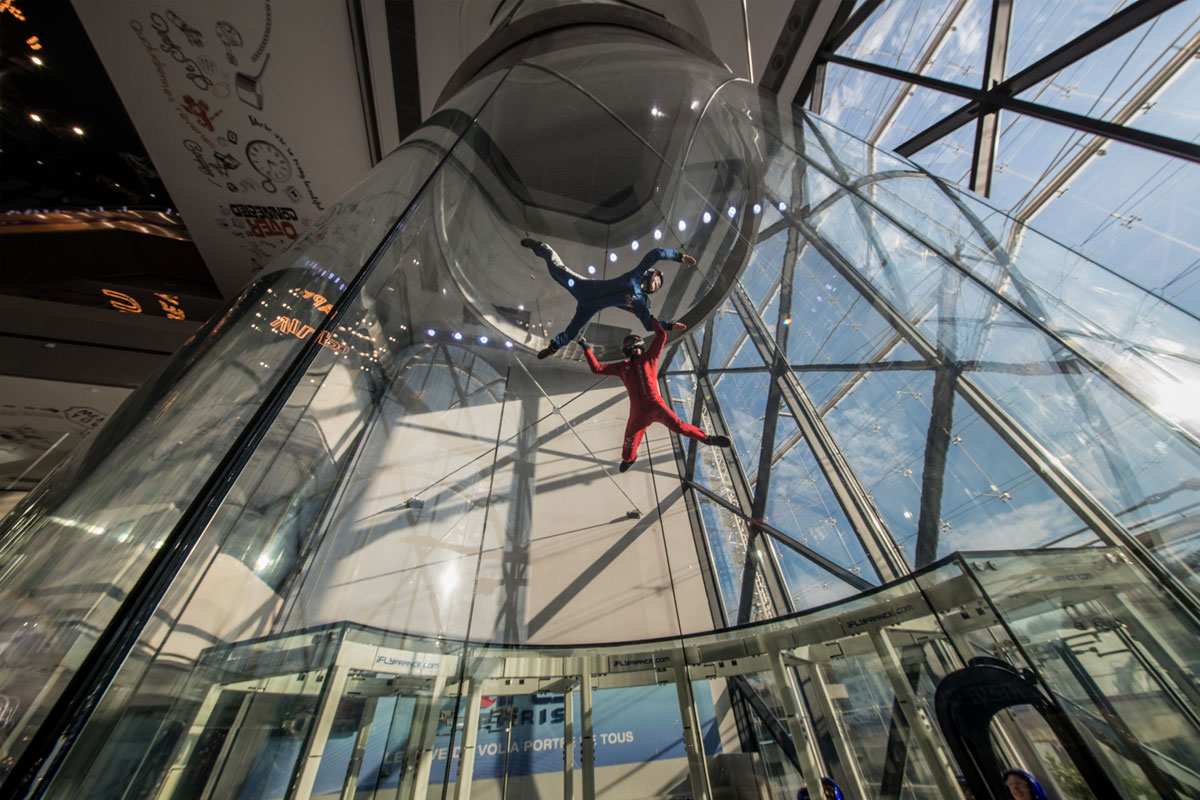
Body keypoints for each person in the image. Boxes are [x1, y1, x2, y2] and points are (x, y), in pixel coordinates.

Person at [582, 317, 729, 471]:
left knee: (678, 426)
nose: (628, 347)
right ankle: (630, 459)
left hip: (655, 405)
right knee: (628, 446)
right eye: (626, 344)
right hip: (638, 413)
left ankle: (707, 439)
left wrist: (652, 318)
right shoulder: (622, 367)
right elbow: (597, 369)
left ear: (638, 343)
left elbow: (661, 336)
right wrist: (585, 347)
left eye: (630, 342)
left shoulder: (650, 357)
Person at [521, 238, 696, 359]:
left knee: (572, 331)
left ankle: (553, 347)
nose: (658, 284)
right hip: (586, 288)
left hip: (589, 307)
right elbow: (656, 253)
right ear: (651, 273)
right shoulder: (637, 274)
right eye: (658, 279)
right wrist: (679, 257)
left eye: (659, 286)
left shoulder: (641, 302)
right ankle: (540, 247)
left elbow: (649, 325)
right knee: (557, 271)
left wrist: (669, 326)